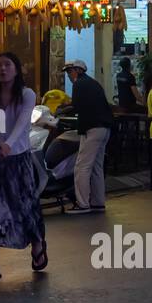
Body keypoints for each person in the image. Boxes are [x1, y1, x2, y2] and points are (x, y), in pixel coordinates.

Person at [0, 53, 47, 281]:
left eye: (7, 65)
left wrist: (9, 143)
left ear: (16, 69)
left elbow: (23, 122)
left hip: (19, 159)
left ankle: (37, 246)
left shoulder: (27, 95)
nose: (2, 69)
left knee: (26, 206)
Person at [64, 59, 112, 213]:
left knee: (82, 166)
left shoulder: (79, 84)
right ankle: (98, 202)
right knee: (97, 166)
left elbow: (76, 106)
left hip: (92, 129)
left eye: (70, 72)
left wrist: (61, 111)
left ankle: (82, 203)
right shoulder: (93, 83)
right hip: (104, 128)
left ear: (78, 70)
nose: (69, 75)